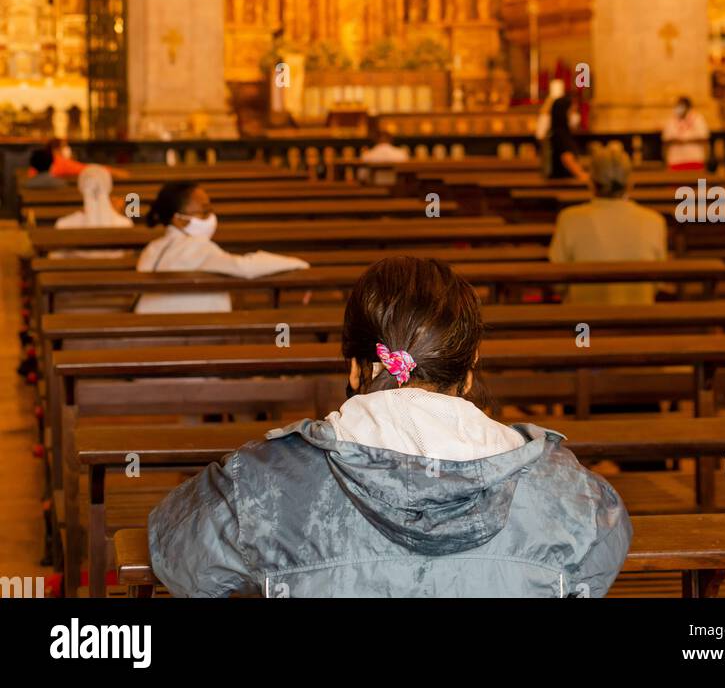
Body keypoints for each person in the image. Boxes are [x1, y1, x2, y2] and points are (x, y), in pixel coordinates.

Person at [148, 255, 631, 598]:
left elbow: (180, 561)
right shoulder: (573, 497)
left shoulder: (256, 486)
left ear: (356, 369)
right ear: (469, 371)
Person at [135, 181, 309, 313]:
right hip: (188, 333)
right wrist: (297, 263)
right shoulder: (197, 246)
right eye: (204, 212)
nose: (211, 217)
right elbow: (244, 267)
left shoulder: (152, 248)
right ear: (179, 219)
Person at [549, 142, 667, 306]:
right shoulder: (654, 221)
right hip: (638, 321)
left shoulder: (569, 219)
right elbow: (658, 283)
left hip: (583, 325)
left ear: (591, 182)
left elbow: (557, 283)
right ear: (629, 183)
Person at [53, 163, 132, 259]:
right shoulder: (126, 224)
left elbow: (56, 257)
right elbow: (128, 256)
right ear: (108, 187)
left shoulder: (64, 225)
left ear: (81, 188)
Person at [545, 93, 589, 182]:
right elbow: (567, 158)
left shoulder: (560, 131)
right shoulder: (560, 133)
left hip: (564, 180)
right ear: (563, 112)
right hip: (562, 182)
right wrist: (582, 175)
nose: (574, 113)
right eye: (571, 111)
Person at [661, 95, 709, 170]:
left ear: (688, 107)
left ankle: (702, 182)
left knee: (701, 181)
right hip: (676, 161)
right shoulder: (671, 121)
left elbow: (704, 138)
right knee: (676, 181)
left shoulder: (698, 119)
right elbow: (666, 141)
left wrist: (686, 140)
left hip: (696, 159)